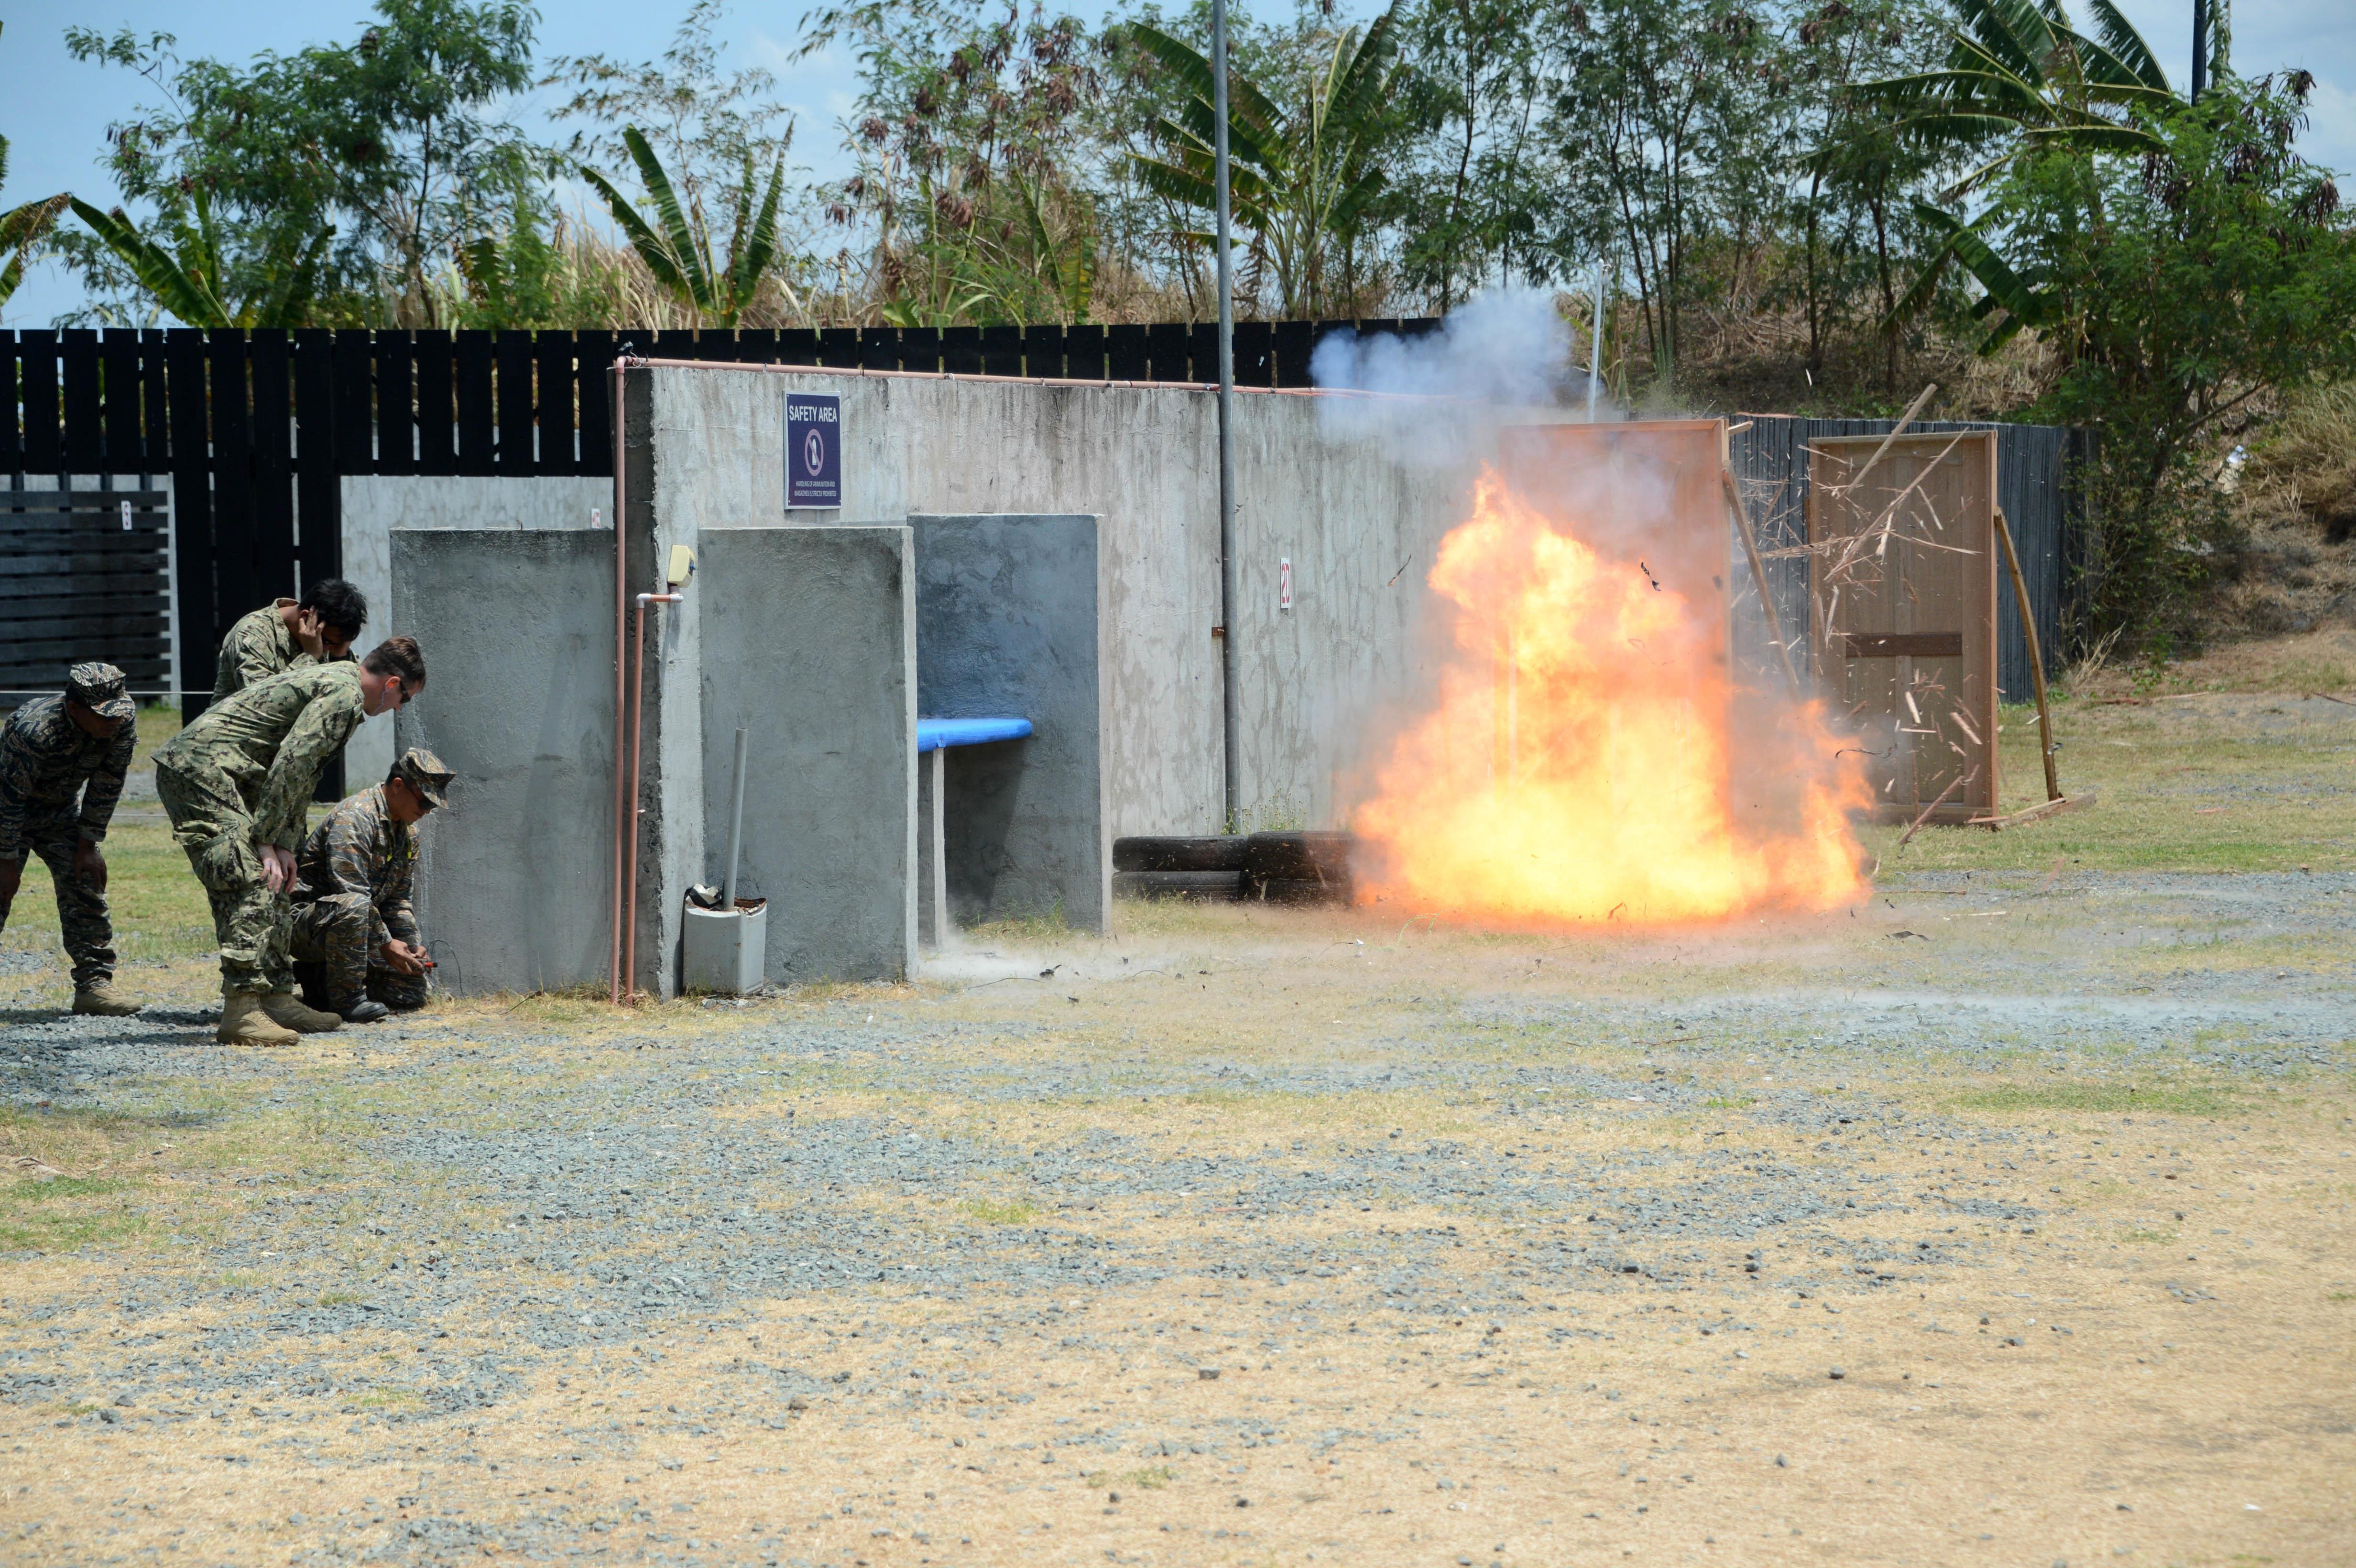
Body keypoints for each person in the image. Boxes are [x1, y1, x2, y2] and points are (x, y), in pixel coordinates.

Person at [154, 637, 425, 1046]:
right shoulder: (344, 694)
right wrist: (265, 840)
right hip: (200, 771)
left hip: (234, 776)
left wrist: (284, 843)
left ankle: (276, 996)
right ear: (391, 684)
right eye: (404, 697)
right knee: (250, 876)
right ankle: (241, 1010)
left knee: (281, 874)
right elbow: (293, 761)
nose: (399, 707)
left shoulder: (342, 683)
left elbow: (301, 775)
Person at [0, 664, 142, 1016]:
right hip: (8, 811)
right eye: (104, 716)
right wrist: (5, 862)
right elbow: (8, 799)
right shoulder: (34, 729)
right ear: (74, 709)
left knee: (85, 885)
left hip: (60, 811)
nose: (114, 722)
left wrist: (88, 845)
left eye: (118, 713)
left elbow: (107, 783)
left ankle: (94, 986)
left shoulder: (121, 721)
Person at [290, 747, 451, 1023]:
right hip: (309, 927)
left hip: (361, 929)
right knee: (354, 904)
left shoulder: (408, 833)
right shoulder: (354, 819)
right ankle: (347, 1000)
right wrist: (387, 945)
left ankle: (322, 982)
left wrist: (410, 948)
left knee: (409, 992)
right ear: (399, 786)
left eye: (432, 806)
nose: (427, 811)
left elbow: (398, 900)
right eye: (425, 802)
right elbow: (350, 894)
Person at [212, 579, 370, 702]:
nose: (327, 650)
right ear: (306, 618)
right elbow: (261, 704)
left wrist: (340, 656)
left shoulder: (326, 637)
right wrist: (309, 656)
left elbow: (357, 697)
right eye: (328, 642)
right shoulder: (252, 635)